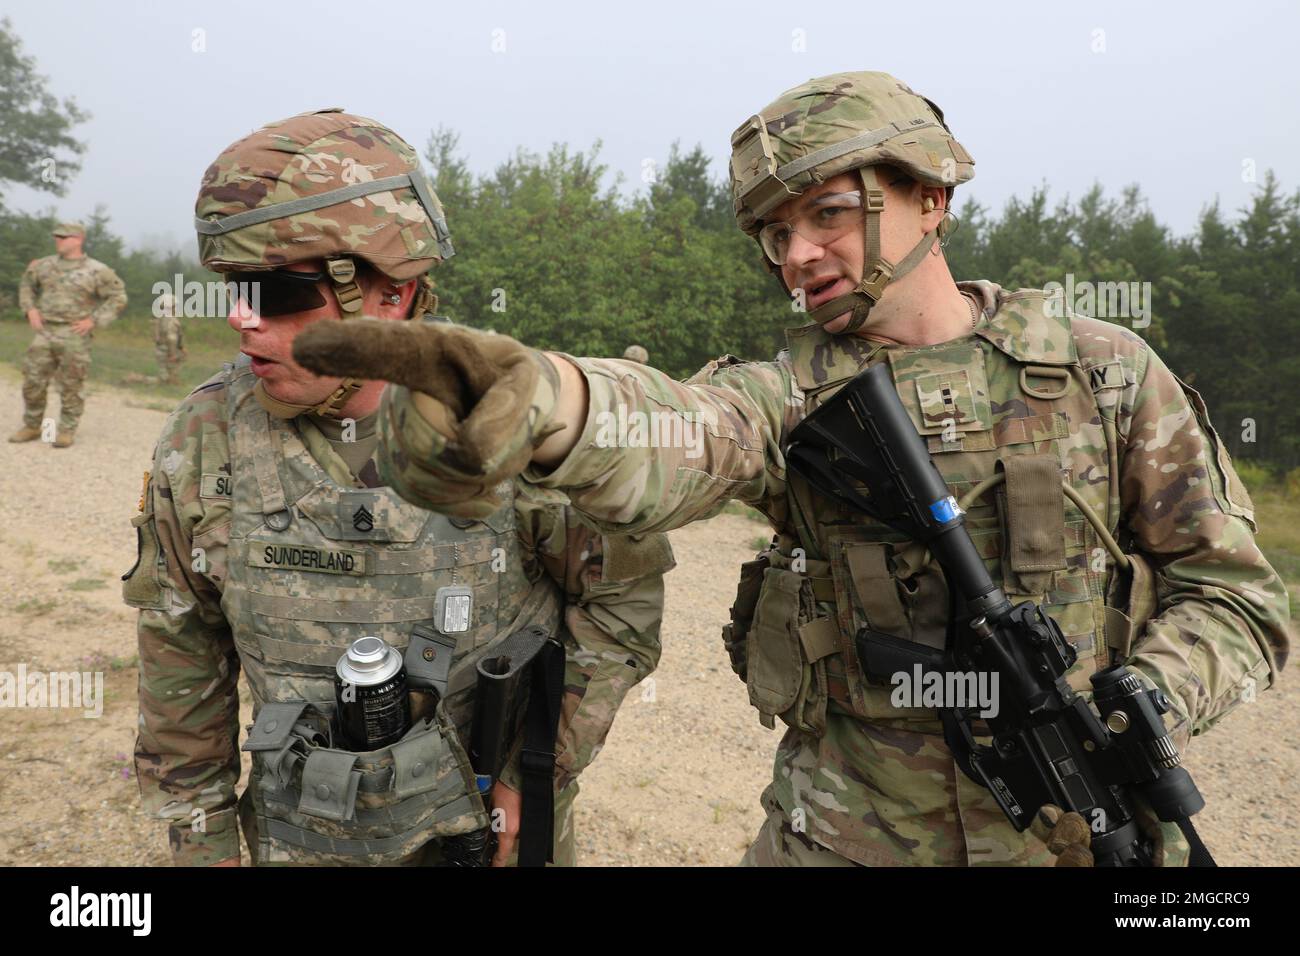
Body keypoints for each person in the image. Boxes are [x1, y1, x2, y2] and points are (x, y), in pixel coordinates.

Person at [293, 73, 1290, 867]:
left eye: (826, 214)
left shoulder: (1103, 373)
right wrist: (548, 402)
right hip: (839, 838)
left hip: (1088, 833)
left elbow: (1235, 595)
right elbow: (680, 433)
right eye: (774, 234)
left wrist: (1149, 698)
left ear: (928, 196)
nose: (796, 254)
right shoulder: (789, 397)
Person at [123, 109, 672, 866]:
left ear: (390, 294)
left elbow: (620, 605)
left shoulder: (513, 419)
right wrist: (204, 839)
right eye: (229, 288)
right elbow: (179, 652)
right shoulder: (205, 436)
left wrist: (530, 777)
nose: (241, 319)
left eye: (275, 290)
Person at [10, 222, 127, 447]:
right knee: (33, 381)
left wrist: (93, 320)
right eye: (57, 236)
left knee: (71, 383)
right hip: (45, 331)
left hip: (74, 334)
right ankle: (33, 425)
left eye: (64, 237)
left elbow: (118, 297)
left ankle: (66, 430)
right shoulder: (43, 265)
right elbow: (26, 284)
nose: (59, 240)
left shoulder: (97, 270)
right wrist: (30, 309)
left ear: (78, 239)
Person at [153, 291, 185, 385]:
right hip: (168, 349)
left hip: (161, 349)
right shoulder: (170, 319)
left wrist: (181, 347)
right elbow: (172, 338)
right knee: (168, 376)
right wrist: (173, 354)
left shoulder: (160, 318)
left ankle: (167, 381)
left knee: (164, 372)